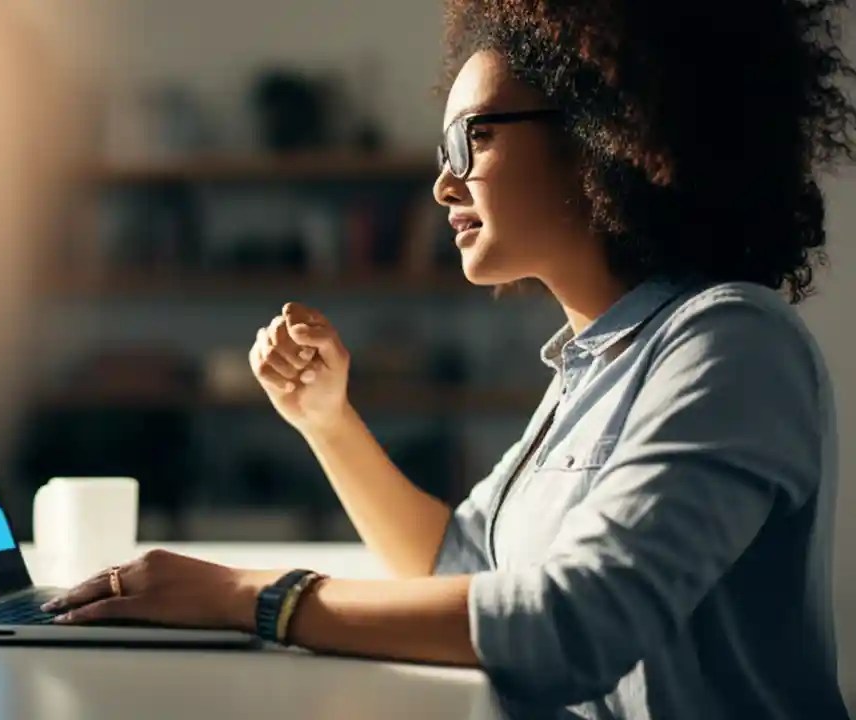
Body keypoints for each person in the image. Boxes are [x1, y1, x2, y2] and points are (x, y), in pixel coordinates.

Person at [41, 1, 856, 717]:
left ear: (605, 129)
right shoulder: (594, 365)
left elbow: (573, 625)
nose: (442, 184)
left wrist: (250, 599)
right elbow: (454, 565)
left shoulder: (733, 342)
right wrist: (328, 421)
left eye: (474, 138)